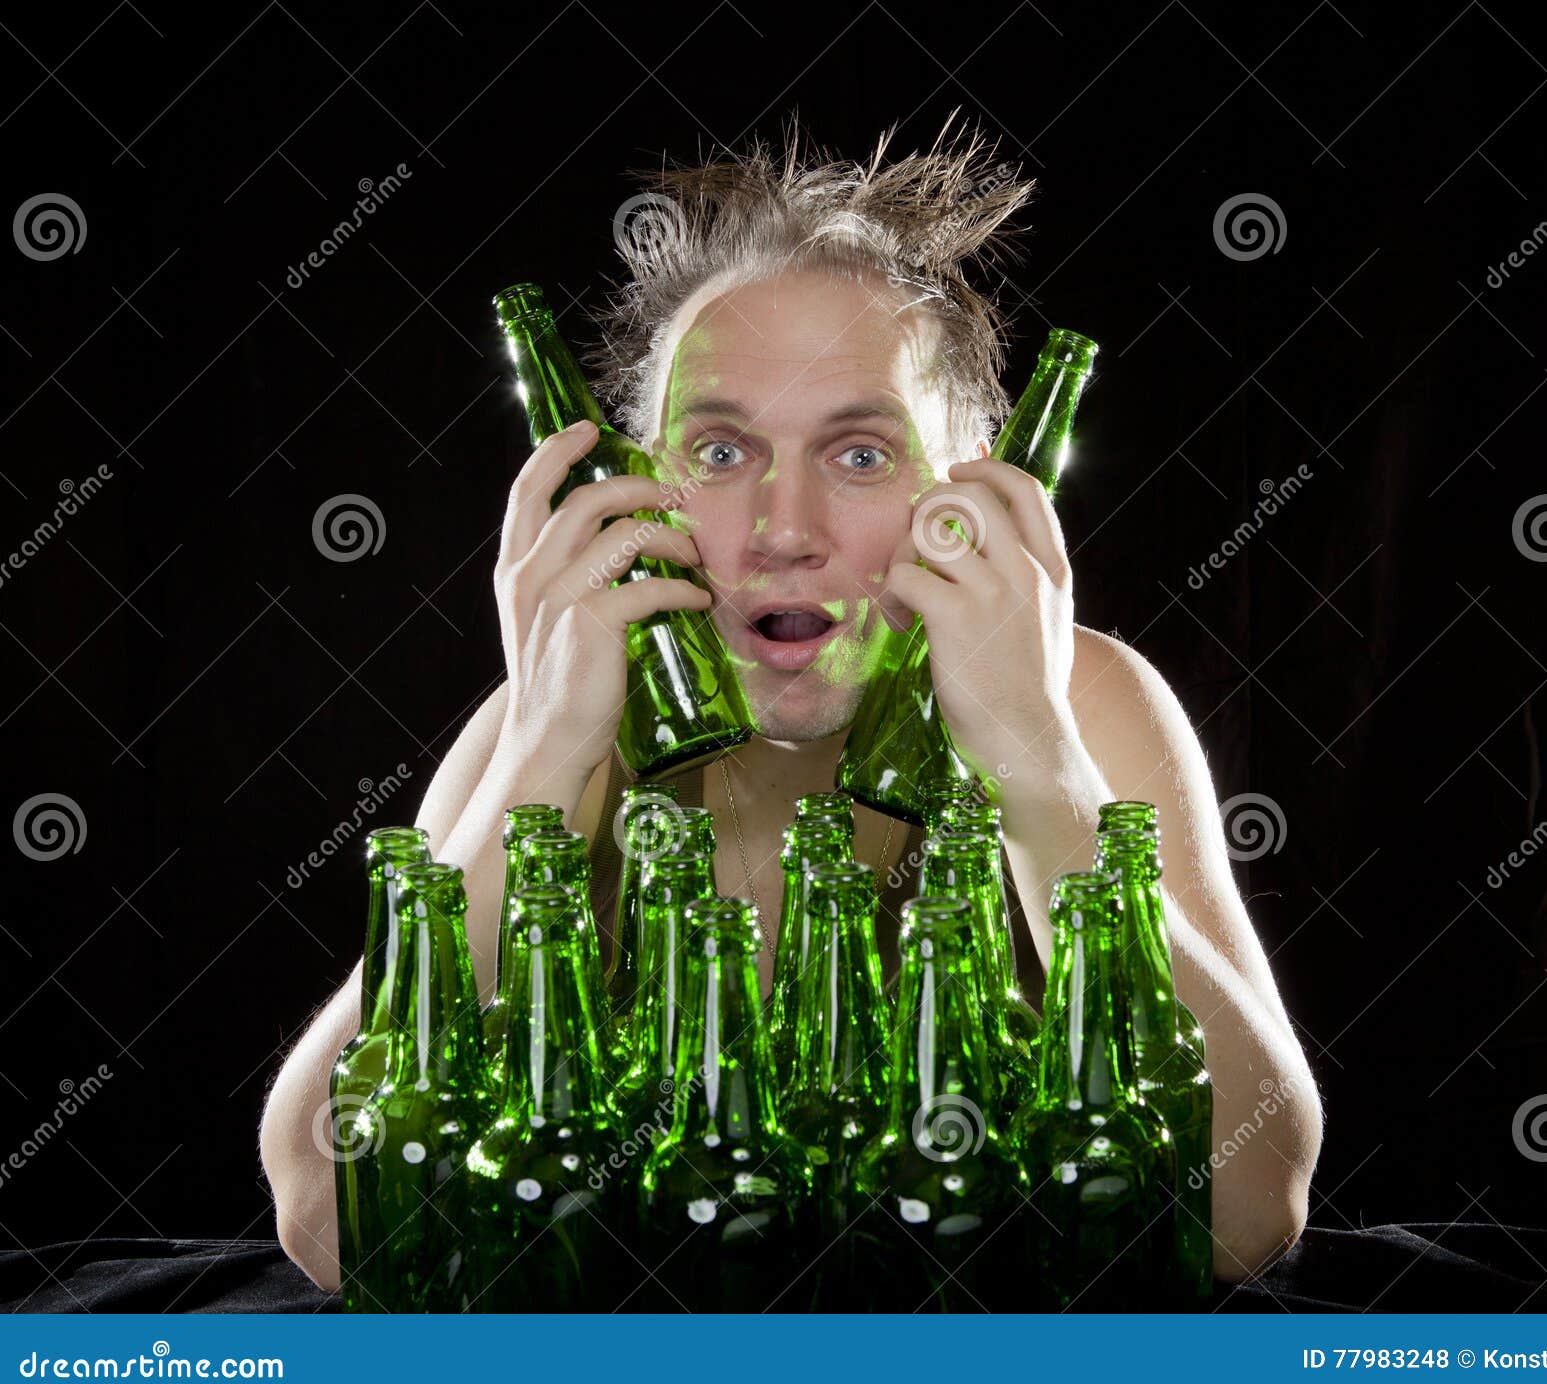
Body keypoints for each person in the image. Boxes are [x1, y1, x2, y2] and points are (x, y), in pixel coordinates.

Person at [260, 114, 1322, 1298]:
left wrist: (1035, 760)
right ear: (634, 485)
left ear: (972, 492)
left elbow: (1245, 1211)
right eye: (717, 453)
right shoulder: (558, 709)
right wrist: (542, 758)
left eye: (860, 455)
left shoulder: (1081, 694)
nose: (782, 530)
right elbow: (328, 1220)